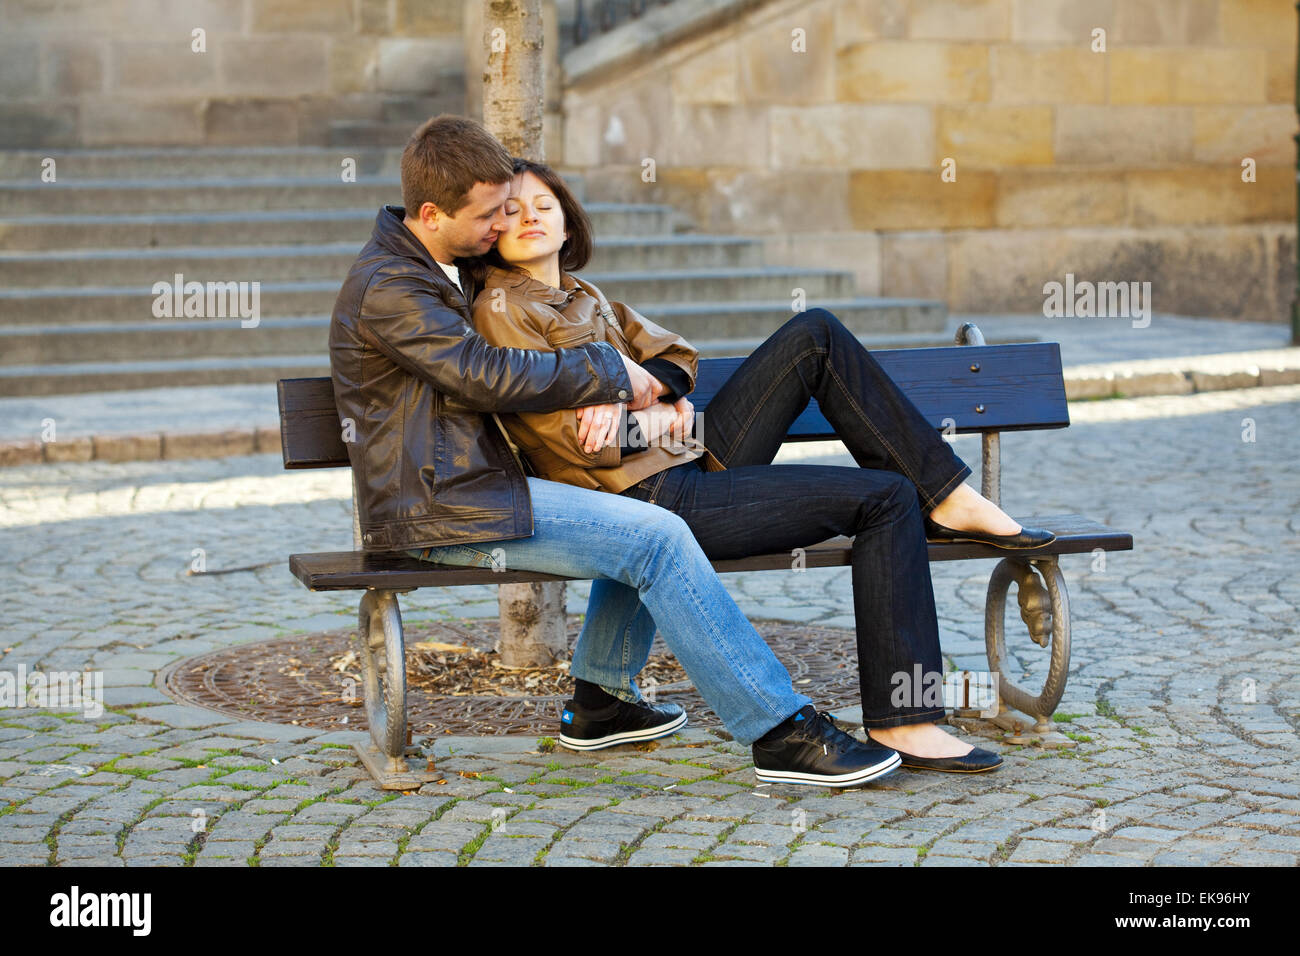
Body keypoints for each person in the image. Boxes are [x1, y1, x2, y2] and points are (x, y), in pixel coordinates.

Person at [329, 114, 905, 788]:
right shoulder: (391, 285)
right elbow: (482, 374)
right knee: (659, 537)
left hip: (484, 488)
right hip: (445, 507)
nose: (501, 224)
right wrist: (608, 373)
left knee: (636, 523)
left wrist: (645, 390)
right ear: (431, 214)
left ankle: (602, 703)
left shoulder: (434, 269)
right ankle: (780, 731)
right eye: (488, 214)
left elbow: (641, 355)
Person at [463, 158, 1061, 774]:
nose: (529, 217)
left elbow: (676, 355)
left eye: (543, 206)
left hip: (686, 459)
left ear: (568, 224)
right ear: (490, 234)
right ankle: (904, 718)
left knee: (814, 336)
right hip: (648, 498)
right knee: (886, 499)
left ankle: (946, 495)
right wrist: (653, 418)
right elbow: (572, 441)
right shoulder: (501, 311)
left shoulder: (586, 297)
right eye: (511, 210)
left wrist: (657, 391)